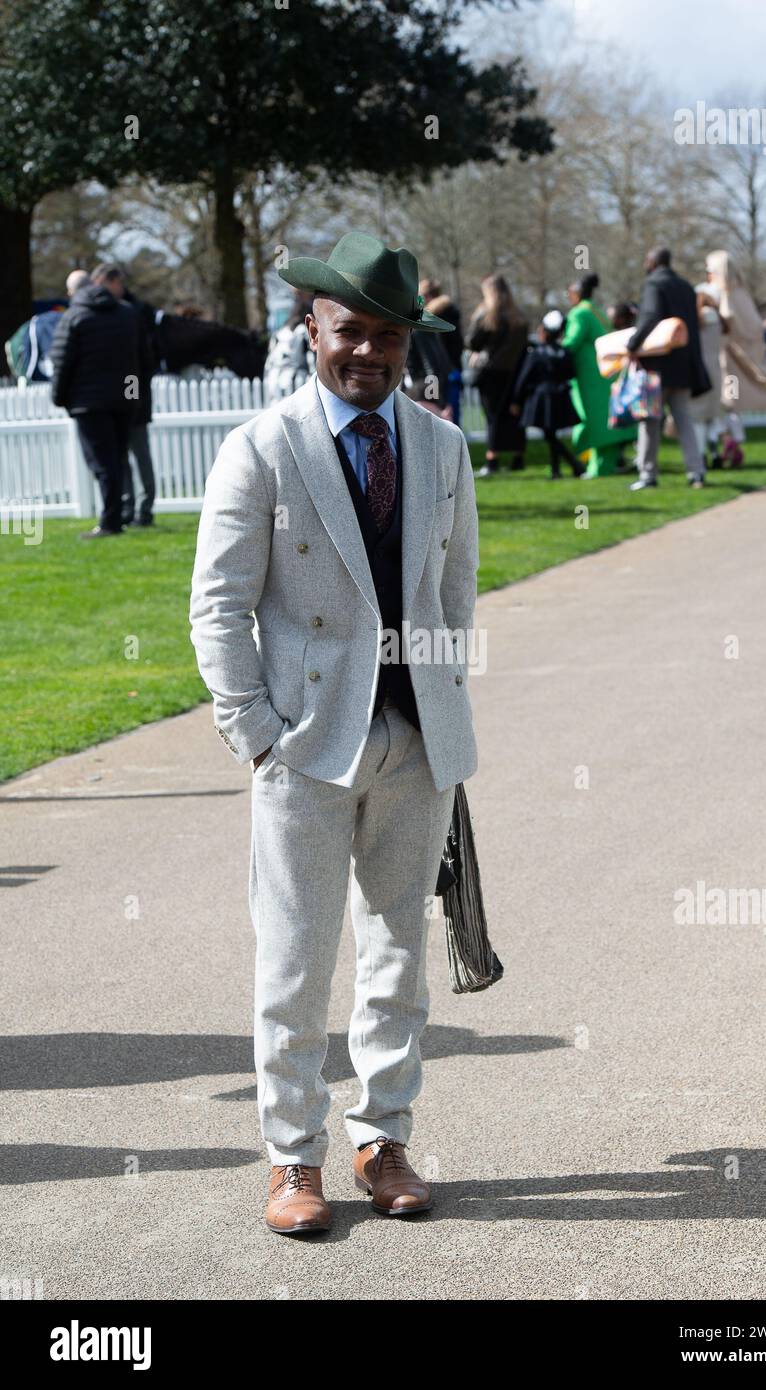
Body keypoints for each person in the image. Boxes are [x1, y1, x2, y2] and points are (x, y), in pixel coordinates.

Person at [189, 230, 479, 1237]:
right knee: (296, 957)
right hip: (305, 747)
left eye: (388, 336)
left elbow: (455, 588)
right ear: (310, 328)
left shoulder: (440, 445)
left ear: (409, 342)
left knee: (398, 950)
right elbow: (217, 606)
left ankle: (382, 1139)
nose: (369, 353)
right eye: (350, 330)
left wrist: (444, 700)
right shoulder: (261, 447)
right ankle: (291, 1158)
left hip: (414, 740)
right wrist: (255, 730)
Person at [49, 271, 143, 538]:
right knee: (118, 459)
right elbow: (140, 359)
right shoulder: (126, 313)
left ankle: (110, 521)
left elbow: (62, 361)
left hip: (89, 403)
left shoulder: (74, 316)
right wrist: (134, 395)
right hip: (124, 400)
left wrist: (60, 397)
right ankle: (120, 514)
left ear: (72, 291)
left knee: (102, 464)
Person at [627, 246, 712, 491]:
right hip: (683, 366)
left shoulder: (654, 284)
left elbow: (651, 315)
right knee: (684, 419)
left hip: (658, 367)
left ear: (653, 262)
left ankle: (647, 474)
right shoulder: (686, 286)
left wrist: (633, 344)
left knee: (650, 421)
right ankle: (696, 472)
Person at [705, 249, 766, 466]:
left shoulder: (722, 294)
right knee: (731, 405)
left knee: (722, 405)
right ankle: (732, 443)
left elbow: (727, 324)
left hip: (725, 364)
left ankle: (726, 440)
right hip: (734, 364)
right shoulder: (741, 294)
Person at [91, 264, 158, 526]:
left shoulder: (136, 312)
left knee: (139, 454)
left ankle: (145, 509)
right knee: (121, 457)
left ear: (114, 282)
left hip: (132, 398)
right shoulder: (112, 312)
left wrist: (134, 397)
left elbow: (144, 360)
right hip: (117, 397)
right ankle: (128, 508)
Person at [562, 273, 637, 478]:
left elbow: (572, 342)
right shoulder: (595, 310)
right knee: (604, 422)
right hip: (603, 375)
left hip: (590, 379)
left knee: (594, 423)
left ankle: (597, 468)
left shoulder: (579, 314)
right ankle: (603, 465)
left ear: (576, 292)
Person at [465, 273, 527, 476]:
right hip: (514, 371)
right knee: (513, 415)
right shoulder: (518, 317)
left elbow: (472, 342)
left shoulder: (487, 315)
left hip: (490, 371)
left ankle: (492, 460)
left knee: (492, 416)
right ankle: (518, 457)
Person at [508, 309, 582, 479]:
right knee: (551, 434)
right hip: (561, 396)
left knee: (550, 436)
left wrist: (516, 400)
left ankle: (573, 464)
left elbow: (523, 378)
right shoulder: (564, 352)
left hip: (543, 398)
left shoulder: (536, 353)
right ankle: (558, 469)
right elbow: (571, 373)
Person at [689, 282, 726, 470]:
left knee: (698, 418)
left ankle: (701, 454)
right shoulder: (718, 321)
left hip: (700, 371)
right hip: (716, 370)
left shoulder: (697, 321)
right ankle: (715, 452)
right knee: (713, 415)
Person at [419, 277, 463, 426]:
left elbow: (431, 357)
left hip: (440, 373)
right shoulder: (451, 312)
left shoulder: (431, 317)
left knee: (439, 415)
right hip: (454, 369)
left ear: (427, 297)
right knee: (453, 417)